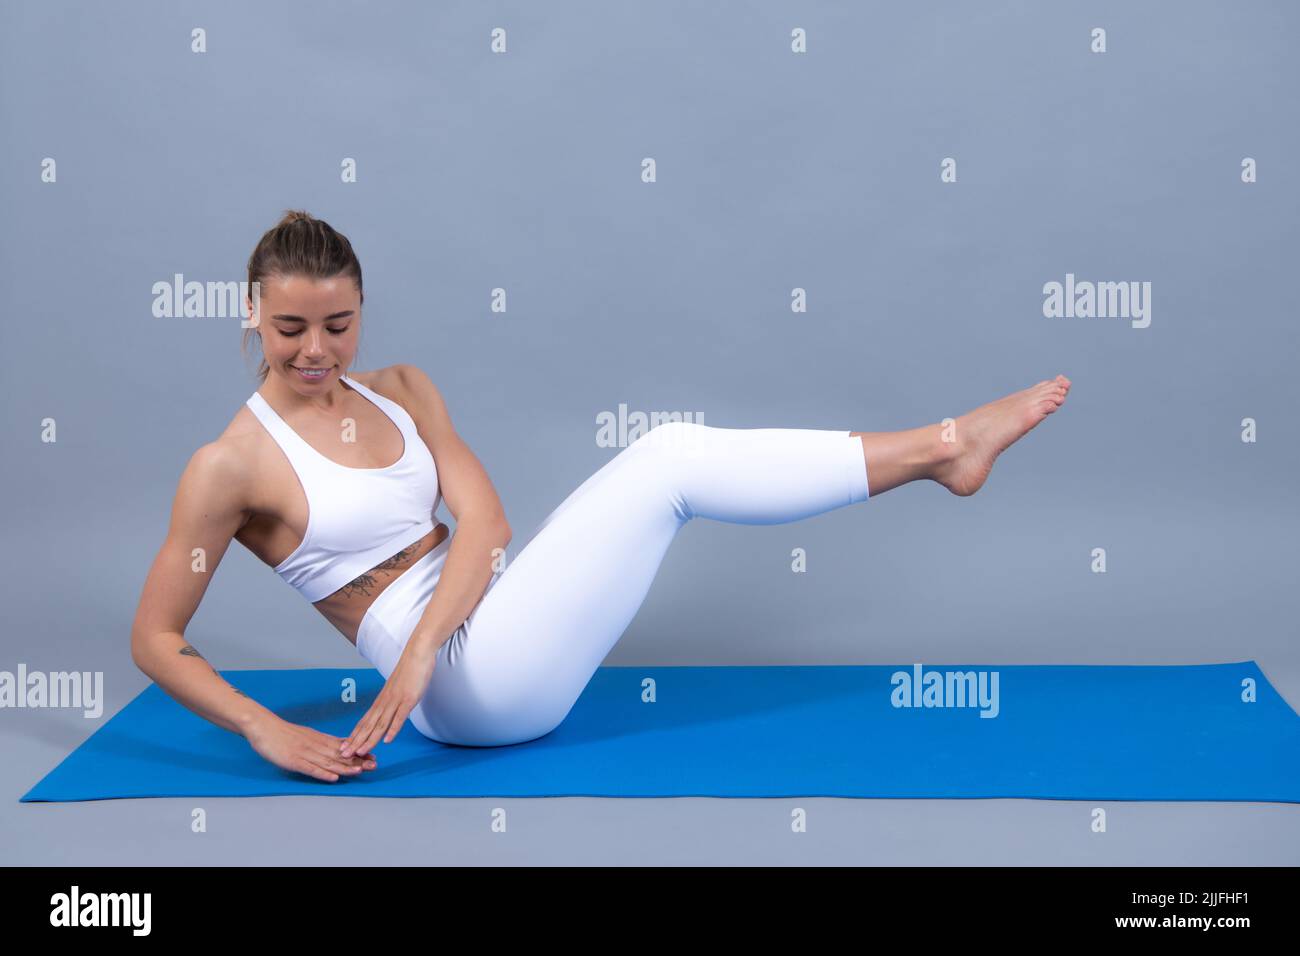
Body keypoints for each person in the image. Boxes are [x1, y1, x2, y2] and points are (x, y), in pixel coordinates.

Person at [130, 210, 1072, 783]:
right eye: (289, 327)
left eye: (337, 324)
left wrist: (424, 649)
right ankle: (947, 447)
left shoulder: (403, 389)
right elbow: (155, 639)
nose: (315, 351)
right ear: (251, 313)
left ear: (362, 310)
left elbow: (488, 524)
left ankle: (944, 453)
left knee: (668, 462)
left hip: (480, 626)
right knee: (666, 461)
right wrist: (267, 728)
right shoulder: (230, 464)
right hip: (469, 693)